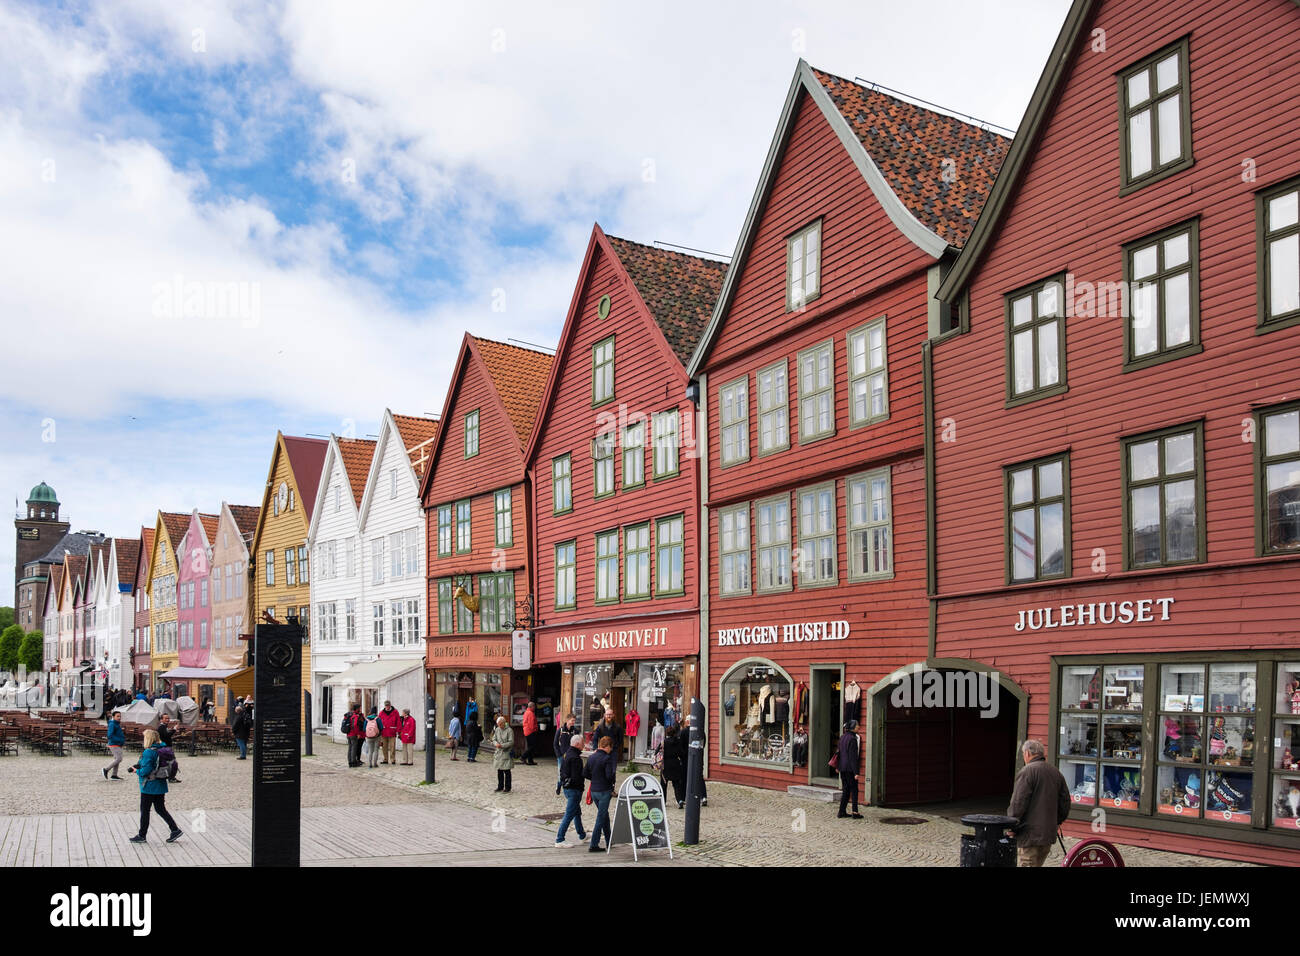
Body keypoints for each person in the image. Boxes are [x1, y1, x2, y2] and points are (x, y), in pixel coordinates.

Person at [1007, 739, 1070, 867]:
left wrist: (1011, 826)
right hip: (1047, 834)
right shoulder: (1055, 772)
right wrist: (1056, 821)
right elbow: (1065, 803)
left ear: (1027, 754)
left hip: (1029, 835)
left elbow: (1018, 803)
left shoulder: (1027, 771)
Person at [127, 729, 182, 844]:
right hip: (160, 784)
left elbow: (145, 771)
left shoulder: (148, 752)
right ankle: (174, 829)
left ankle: (142, 835)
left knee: (145, 811)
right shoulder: (162, 748)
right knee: (160, 809)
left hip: (149, 786)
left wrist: (136, 771)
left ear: (148, 739)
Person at [584, 736, 617, 852]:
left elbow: (585, 773)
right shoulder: (607, 759)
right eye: (611, 748)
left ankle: (609, 840)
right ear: (607, 746)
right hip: (604, 791)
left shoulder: (591, 757)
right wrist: (612, 776)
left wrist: (595, 778)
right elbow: (609, 776)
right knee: (601, 817)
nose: (611, 750)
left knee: (604, 816)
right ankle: (594, 844)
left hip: (594, 791)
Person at [554, 734, 588, 847]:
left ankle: (582, 835)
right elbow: (577, 776)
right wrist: (581, 787)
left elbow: (562, 772)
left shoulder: (567, 754)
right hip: (574, 790)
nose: (584, 745)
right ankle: (559, 839)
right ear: (578, 744)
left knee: (576, 813)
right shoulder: (575, 758)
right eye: (583, 743)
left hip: (568, 788)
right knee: (569, 814)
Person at [836, 720, 862, 819]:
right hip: (850, 769)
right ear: (853, 727)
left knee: (846, 790)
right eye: (857, 725)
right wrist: (856, 772)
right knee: (854, 790)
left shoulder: (842, 737)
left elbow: (838, 753)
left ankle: (841, 811)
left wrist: (838, 766)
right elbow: (853, 757)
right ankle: (855, 812)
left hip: (842, 767)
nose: (859, 727)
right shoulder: (853, 739)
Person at [661, 724, 688, 808]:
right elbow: (682, 753)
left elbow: (657, 753)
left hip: (665, 765)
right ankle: (679, 800)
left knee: (663, 784)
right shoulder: (677, 742)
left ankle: (663, 801)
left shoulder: (663, 742)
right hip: (675, 764)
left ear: (666, 733)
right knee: (676, 784)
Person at [553, 713, 576, 795]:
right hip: (562, 755)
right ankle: (559, 785)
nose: (573, 722)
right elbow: (555, 744)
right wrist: (559, 755)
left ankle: (568, 787)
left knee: (570, 772)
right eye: (572, 720)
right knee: (561, 772)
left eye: (574, 721)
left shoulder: (575, 731)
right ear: (567, 720)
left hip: (571, 756)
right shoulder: (560, 731)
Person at [492, 715, 515, 792]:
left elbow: (511, 742)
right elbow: (494, 739)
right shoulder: (498, 729)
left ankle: (508, 787)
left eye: (500, 724)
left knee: (507, 770)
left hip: (506, 753)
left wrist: (502, 746)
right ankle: (500, 786)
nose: (499, 726)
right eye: (498, 725)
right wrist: (496, 744)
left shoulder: (509, 730)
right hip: (498, 753)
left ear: (503, 723)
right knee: (499, 771)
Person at [102, 710, 125, 780]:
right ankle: (106, 769)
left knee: (117, 759)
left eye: (120, 716)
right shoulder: (112, 724)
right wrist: (119, 740)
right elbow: (109, 735)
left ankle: (114, 775)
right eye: (117, 716)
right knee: (119, 759)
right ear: (113, 716)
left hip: (118, 744)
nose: (119, 718)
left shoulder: (117, 723)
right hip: (114, 744)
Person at [378, 700, 400, 765]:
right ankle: (385, 759)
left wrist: (398, 731)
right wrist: (379, 731)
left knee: (392, 747)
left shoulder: (395, 712)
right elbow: (379, 722)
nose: (387, 707)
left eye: (388, 705)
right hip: (384, 732)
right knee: (384, 747)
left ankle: (393, 759)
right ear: (384, 706)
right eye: (386, 705)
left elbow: (398, 722)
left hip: (392, 732)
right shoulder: (381, 713)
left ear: (390, 705)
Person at [344, 702, 365, 767]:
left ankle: (350, 761)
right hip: (353, 734)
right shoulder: (355, 715)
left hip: (348, 734)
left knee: (350, 748)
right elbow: (355, 725)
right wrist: (358, 733)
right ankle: (353, 762)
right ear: (357, 708)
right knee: (354, 748)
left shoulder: (349, 714)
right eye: (360, 708)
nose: (360, 709)